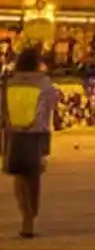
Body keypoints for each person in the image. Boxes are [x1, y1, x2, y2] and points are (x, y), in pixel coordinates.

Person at [3, 47, 58, 238]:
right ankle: (31, 216)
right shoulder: (44, 82)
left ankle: (25, 214)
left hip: (14, 132)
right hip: (37, 132)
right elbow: (51, 105)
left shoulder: (9, 82)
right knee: (34, 176)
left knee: (19, 175)